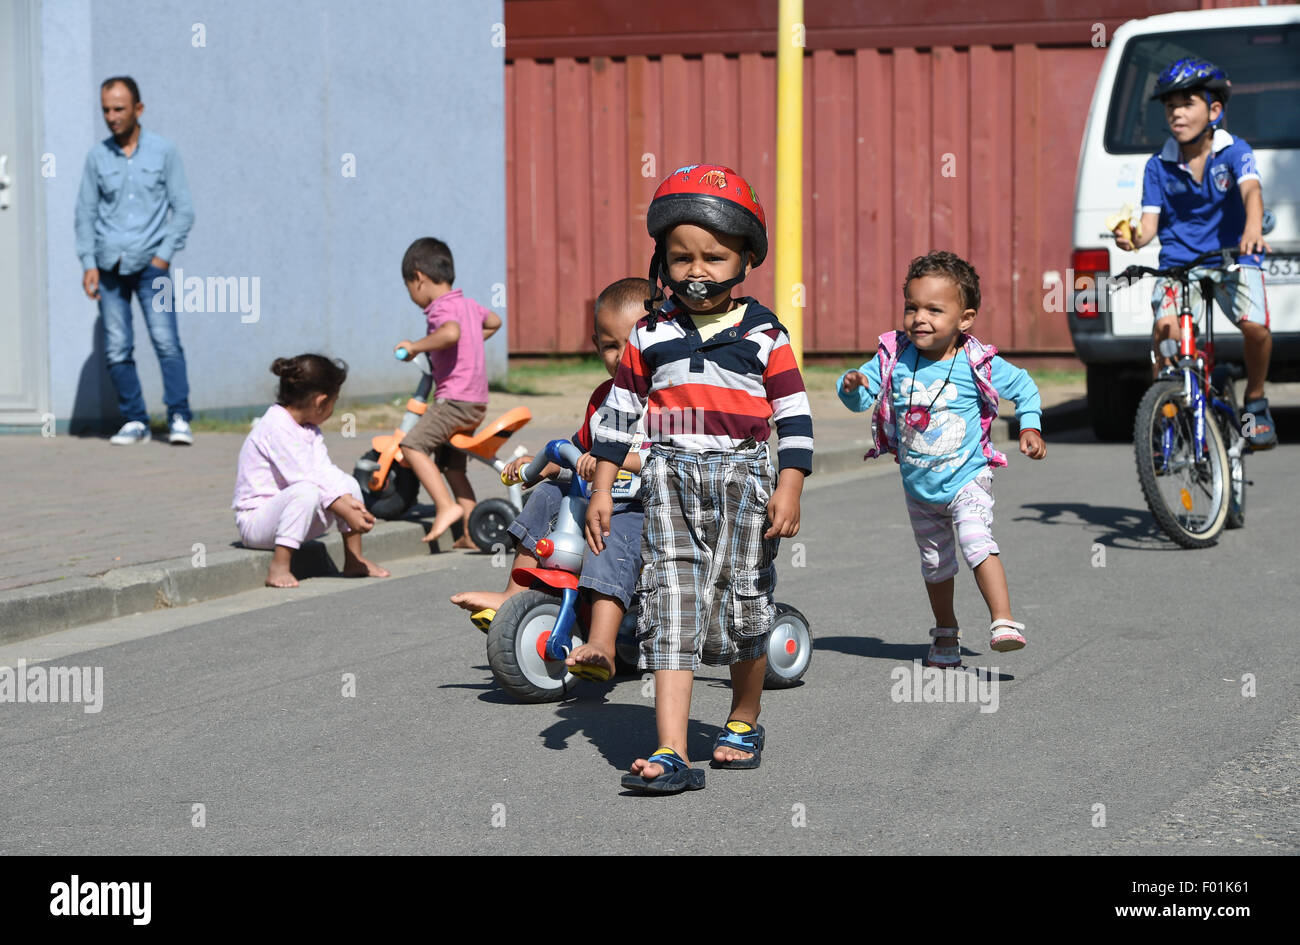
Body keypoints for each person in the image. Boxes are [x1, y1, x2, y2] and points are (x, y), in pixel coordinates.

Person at [586, 164, 812, 794]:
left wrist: (789, 485)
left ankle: (742, 719)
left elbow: (794, 417)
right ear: (662, 258)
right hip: (668, 487)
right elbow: (618, 416)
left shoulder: (765, 333)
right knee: (671, 608)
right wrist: (602, 489)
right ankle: (673, 751)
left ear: (745, 258)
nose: (697, 270)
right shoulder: (649, 335)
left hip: (744, 483)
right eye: (682, 257)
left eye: (715, 256)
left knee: (745, 605)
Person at [838, 251, 1045, 669]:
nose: (919, 318)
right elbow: (861, 398)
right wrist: (852, 385)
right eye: (911, 307)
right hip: (919, 487)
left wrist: (1030, 426)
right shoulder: (892, 355)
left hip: (968, 477)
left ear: (964, 319)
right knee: (935, 564)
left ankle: (1003, 620)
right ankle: (945, 632)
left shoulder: (975, 361)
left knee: (974, 539)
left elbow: (1024, 387)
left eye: (934, 309)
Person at [450, 278, 650, 680]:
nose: (621, 356)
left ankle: (603, 644)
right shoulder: (603, 398)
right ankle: (513, 595)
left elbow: (662, 459)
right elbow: (579, 450)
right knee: (546, 494)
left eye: (633, 345)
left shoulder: (666, 400)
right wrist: (541, 463)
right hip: (597, 494)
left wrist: (612, 460)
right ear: (597, 346)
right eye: (611, 346)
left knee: (609, 537)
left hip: (643, 506)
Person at [1114, 57, 1276, 449]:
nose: (1176, 113)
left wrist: (1252, 229)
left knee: (1256, 329)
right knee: (1166, 331)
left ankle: (1255, 398)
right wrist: (1132, 239)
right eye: (1170, 106)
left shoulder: (1234, 151)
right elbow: (1149, 226)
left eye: (1187, 103)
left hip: (1232, 256)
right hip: (1179, 264)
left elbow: (1252, 192)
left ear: (1214, 109)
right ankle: (1172, 409)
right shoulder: (1158, 165)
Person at [75, 76, 197, 446]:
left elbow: (184, 210)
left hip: (151, 266)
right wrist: (88, 262)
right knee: (116, 346)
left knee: (166, 341)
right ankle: (135, 421)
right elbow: (85, 213)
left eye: (119, 109)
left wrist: (162, 257)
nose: (111, 117)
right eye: (106, 110)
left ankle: (178, 416)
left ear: (138, 109)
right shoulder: (97, 157)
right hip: (109, 266)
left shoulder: (164, 152)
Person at [233, 355, 391, 588]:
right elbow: (304, 478)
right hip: (257, 523)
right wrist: (346, 512)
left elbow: (323, 471)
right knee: (306, 491)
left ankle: (354, 559)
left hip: (291, 517)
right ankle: (279, 566)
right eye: (334, 402)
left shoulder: (308, 428)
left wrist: (350, 502)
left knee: (347, 483)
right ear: (320, 402)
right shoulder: (275, 426)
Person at [393, 237, 502, 545]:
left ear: (418, 278)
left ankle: (445, 506)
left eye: (409, 289)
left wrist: (415, 347)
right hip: (476, 402)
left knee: (413, 445)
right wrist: (473, 338)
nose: (413, 296)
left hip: (454, 400)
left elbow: (450, 333)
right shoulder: (467, 305)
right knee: (452, 466)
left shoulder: (440, 310)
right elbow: (495, 321)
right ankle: (470, 531)